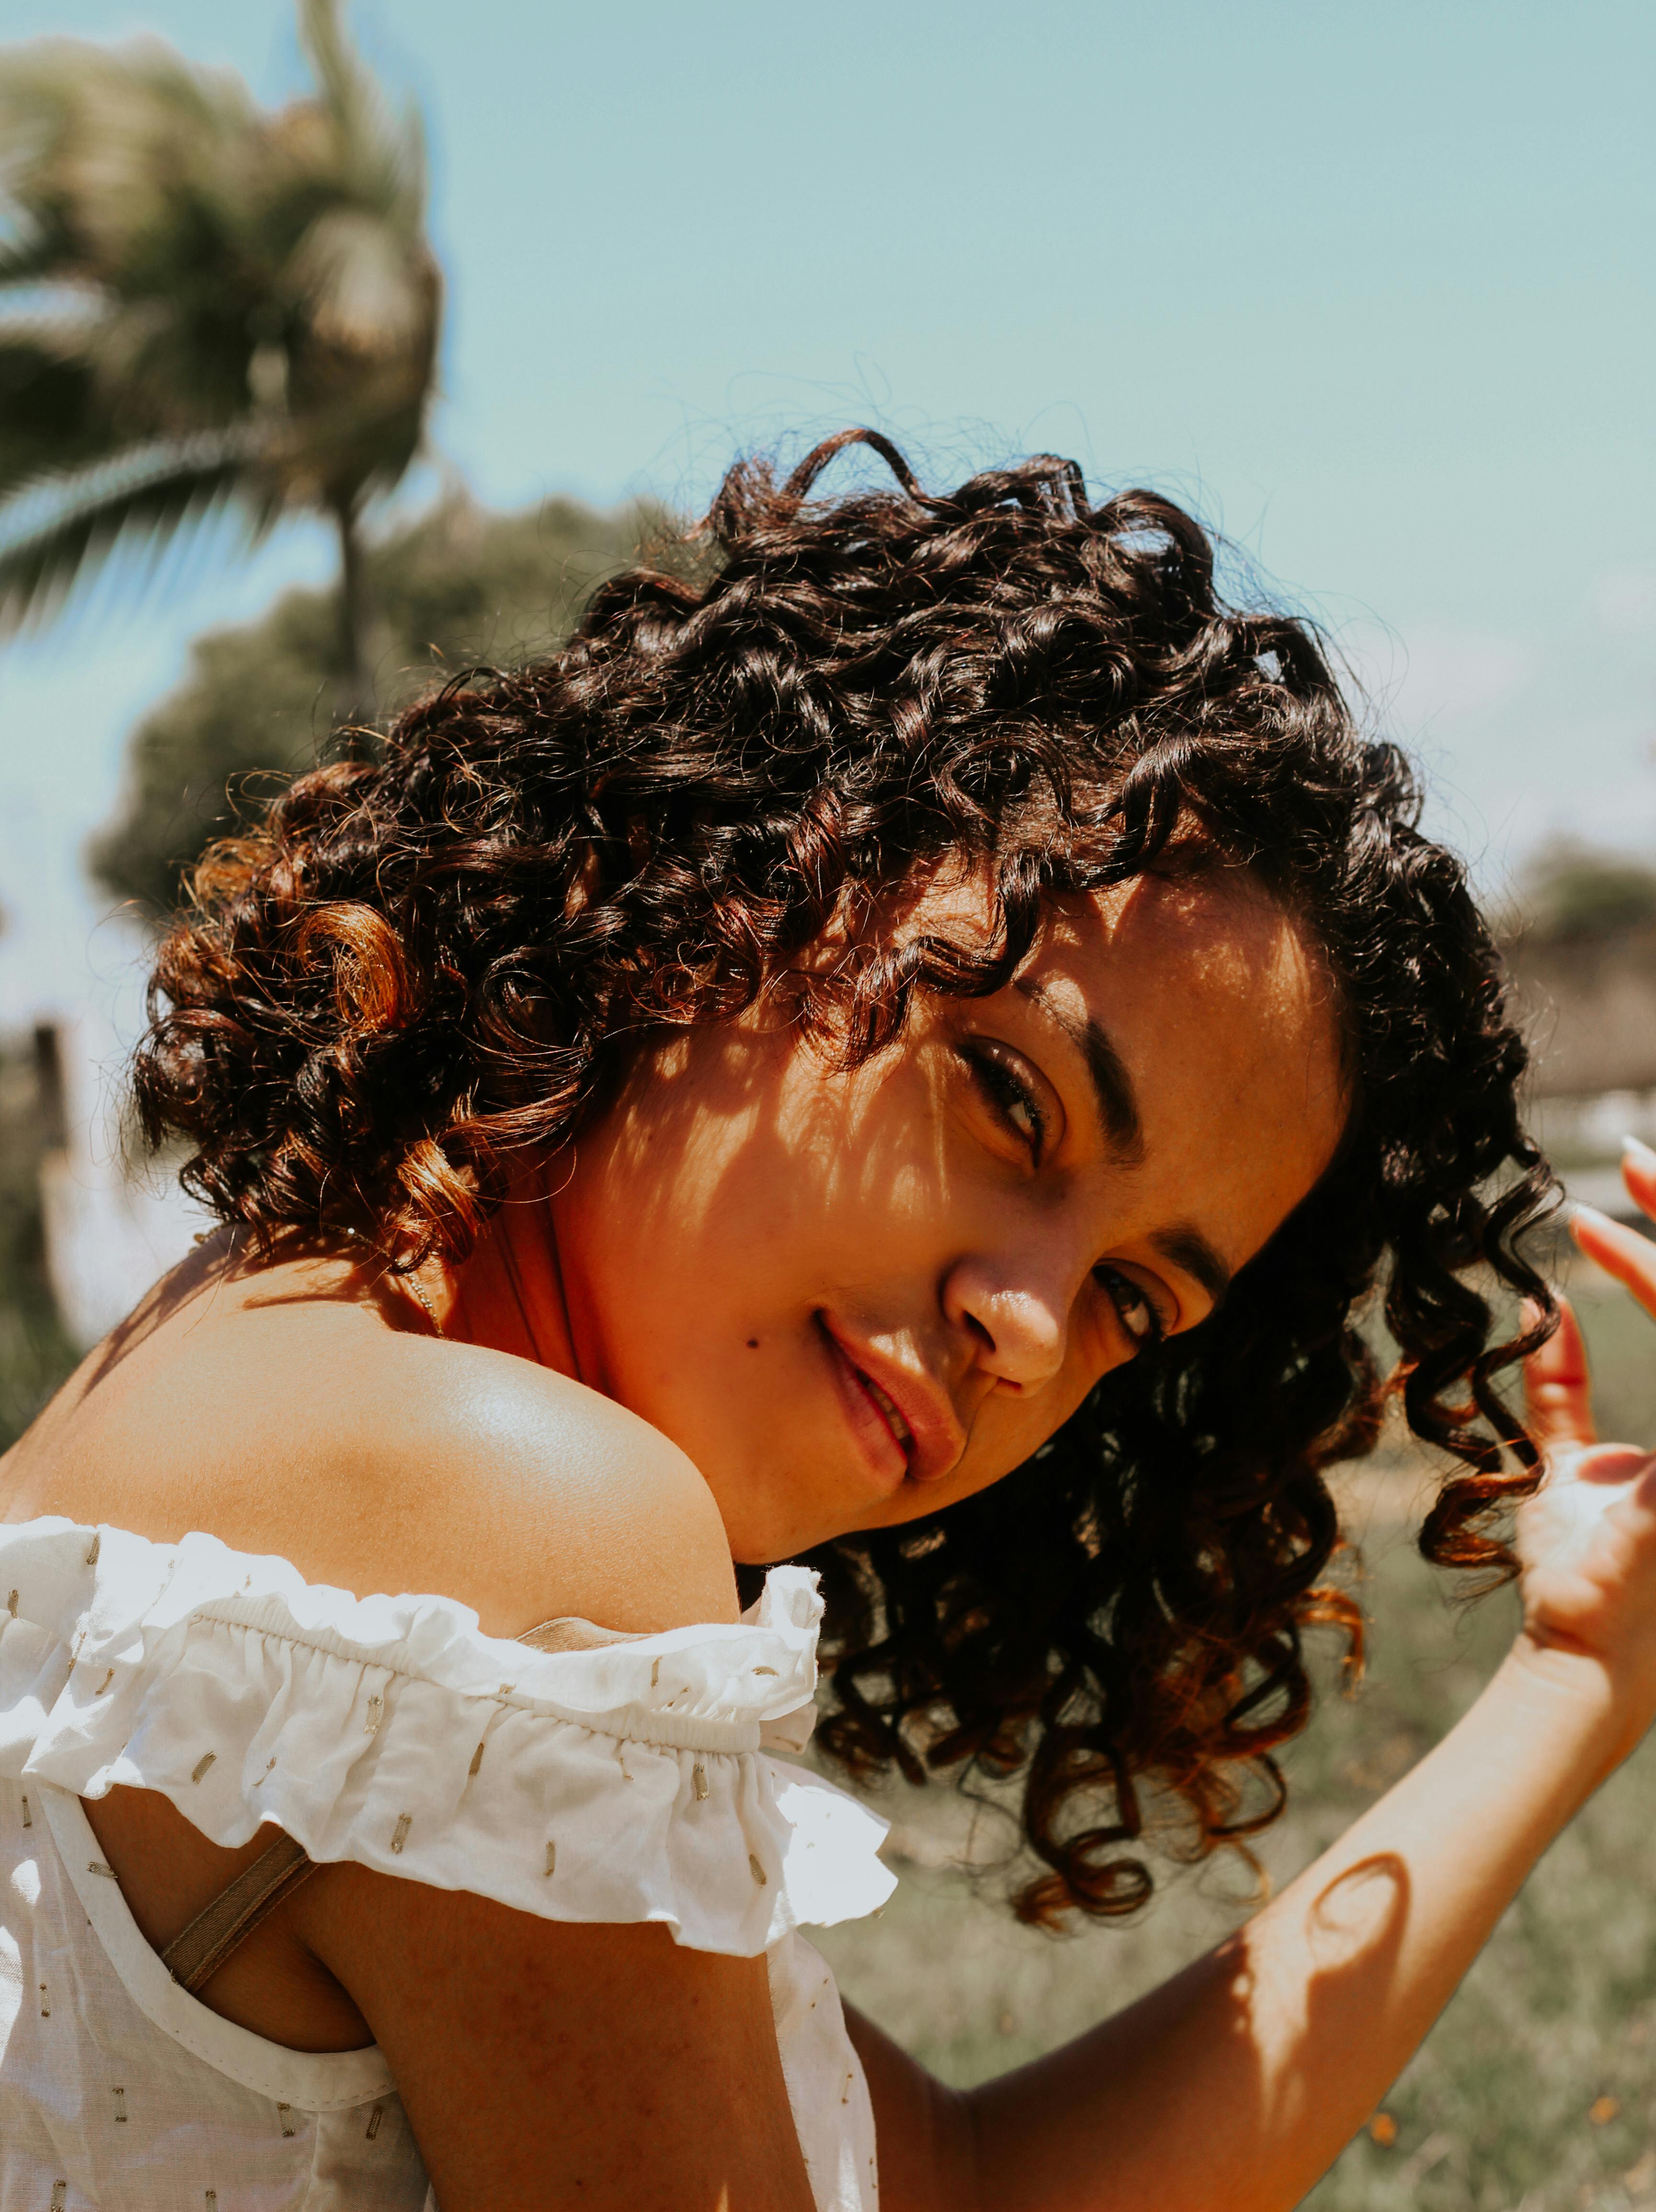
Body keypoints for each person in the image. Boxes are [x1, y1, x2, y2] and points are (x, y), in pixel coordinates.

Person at [3, 429, 1655, 2212]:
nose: (1029, 1330)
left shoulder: (268, 1332)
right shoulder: (510, 1512)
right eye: (1012, 1102)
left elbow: (949, 2181)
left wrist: (1585, 1673)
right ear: (745, 872)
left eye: (1134, 1298)